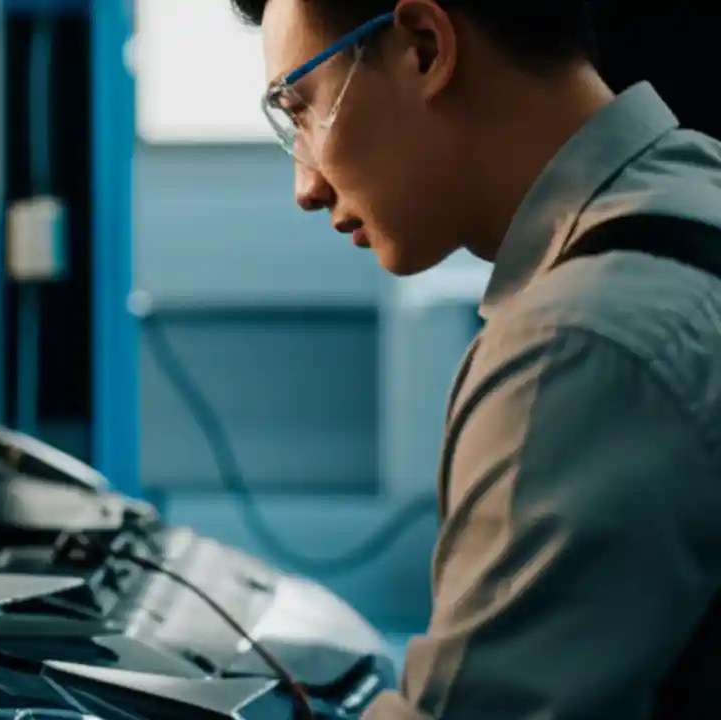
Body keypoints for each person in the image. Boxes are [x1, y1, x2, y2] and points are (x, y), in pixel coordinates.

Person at [226, 0, 721, 717]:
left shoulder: (574, 350)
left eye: (301, 109)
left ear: (425, 48)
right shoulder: (698, 189)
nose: (306, 186)